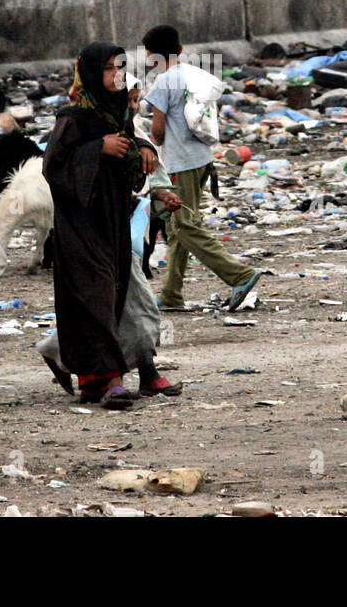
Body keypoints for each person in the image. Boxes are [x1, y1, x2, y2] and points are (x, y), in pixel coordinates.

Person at [42, 42, 157, 409]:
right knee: (94, 297)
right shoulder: (73, 119)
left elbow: (128, 138)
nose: (116, 76)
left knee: (112, 295)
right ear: (92, 73)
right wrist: (97, 149)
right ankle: (111, 380)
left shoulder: (118, 113)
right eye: (108, 69)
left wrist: (142, 148)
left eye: (120, 68)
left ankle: (93, 380)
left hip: (113, 221)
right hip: (80, 224)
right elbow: (53, 167)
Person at [37, 154, 184, 399]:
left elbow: (145, 179)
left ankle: (143, 374)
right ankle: (123, 376)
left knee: (125, 307)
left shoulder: (127, 130)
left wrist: (161, 194)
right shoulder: (84, 129)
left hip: (118, 231)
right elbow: (63, 171)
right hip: (93, 235)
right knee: (132, 307)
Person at [141, 24, 262, 312]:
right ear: (180, 49)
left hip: (180, 164)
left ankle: (240, 274)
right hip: (204, 159)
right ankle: (171, 294)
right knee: (179, 226)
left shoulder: (162, 83)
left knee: (183, 226)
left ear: (150, 56)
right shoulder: (197, 74)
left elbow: (157, 130)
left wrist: (150, 145)